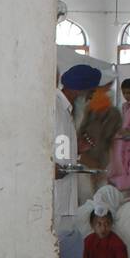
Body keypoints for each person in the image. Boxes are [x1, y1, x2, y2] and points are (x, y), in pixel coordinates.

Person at [55, 65, 101, 220]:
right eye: (91, 93)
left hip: (64, 197)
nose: (90, 98)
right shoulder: (54, 107)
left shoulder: (66, 111)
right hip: (53, 198)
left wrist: (77, 150)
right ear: (79, 90)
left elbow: (59, 150)